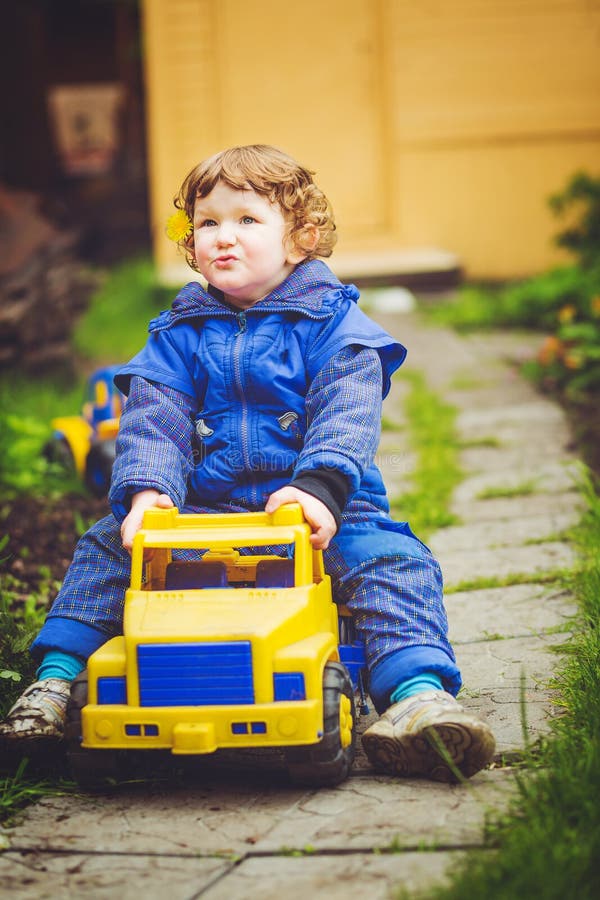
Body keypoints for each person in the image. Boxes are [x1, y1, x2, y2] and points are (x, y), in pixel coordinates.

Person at [0, 144, 494, 781]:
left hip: (322, 509)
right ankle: (54, 684)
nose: (222, 237)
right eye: (207, 223)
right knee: (104, 551)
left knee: (389, 563)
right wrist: (150, 492)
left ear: (301, 237)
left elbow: (349, 406)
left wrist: (319, 487)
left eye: (246, 220)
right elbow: (156, 416)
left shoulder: (331, 323)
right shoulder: (179, 331)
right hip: (204, 511)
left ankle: (416, 695)